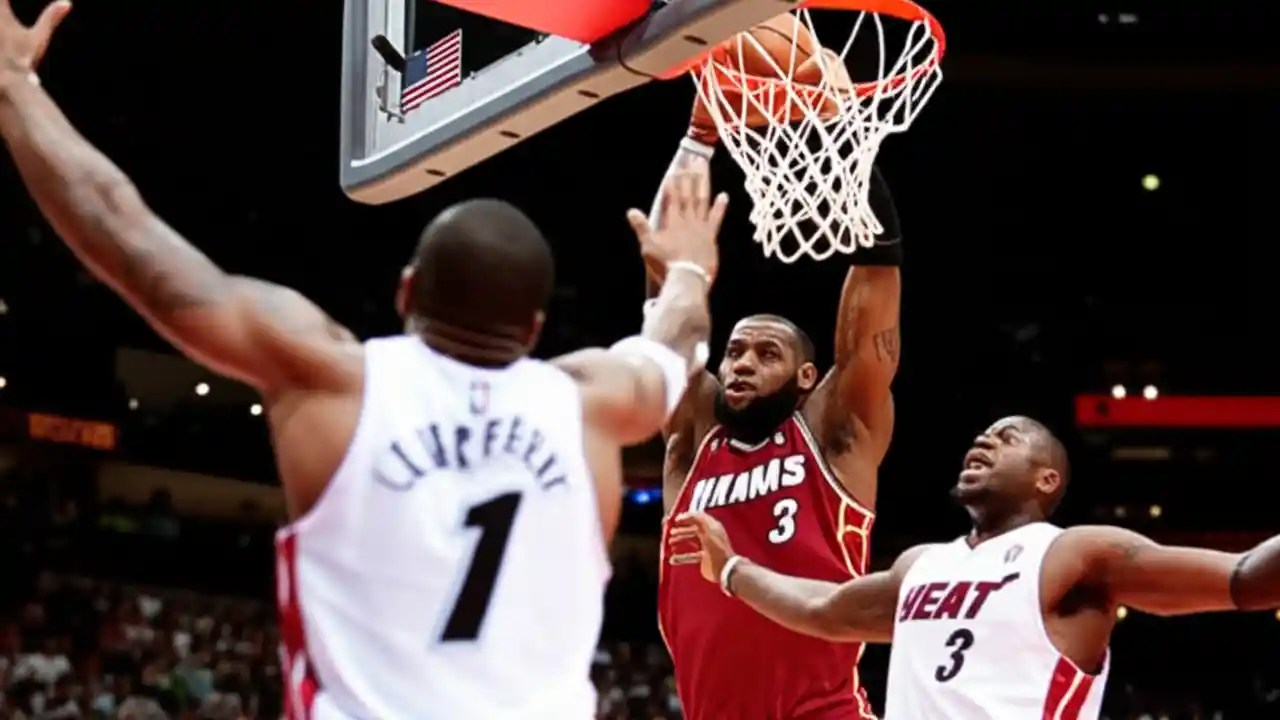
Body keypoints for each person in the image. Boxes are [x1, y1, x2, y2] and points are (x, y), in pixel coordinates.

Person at [0, 5, 729, 718]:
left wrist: (14, 88)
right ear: (534, 327)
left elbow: (130, 241)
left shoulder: (337, 380)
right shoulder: (591, 405)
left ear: (407, 288)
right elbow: (676, 335)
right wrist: (690, 261)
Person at [668, 415, 1280, 719]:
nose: (983, 442)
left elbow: (1245, 579)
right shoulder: (921, 565)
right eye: (981, 436)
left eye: (1007, 438)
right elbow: (823, 611)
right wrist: (731, 571)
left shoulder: (1075, 553)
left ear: (1048, 478)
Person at [641, 46, 902, 720]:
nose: (743, 363)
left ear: (807, 377)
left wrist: (846, 134)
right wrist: (698, 139)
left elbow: (874, 285)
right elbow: (668, 281)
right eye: (734, 351)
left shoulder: (834, 431)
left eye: (767, 353)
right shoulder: (694, 434)